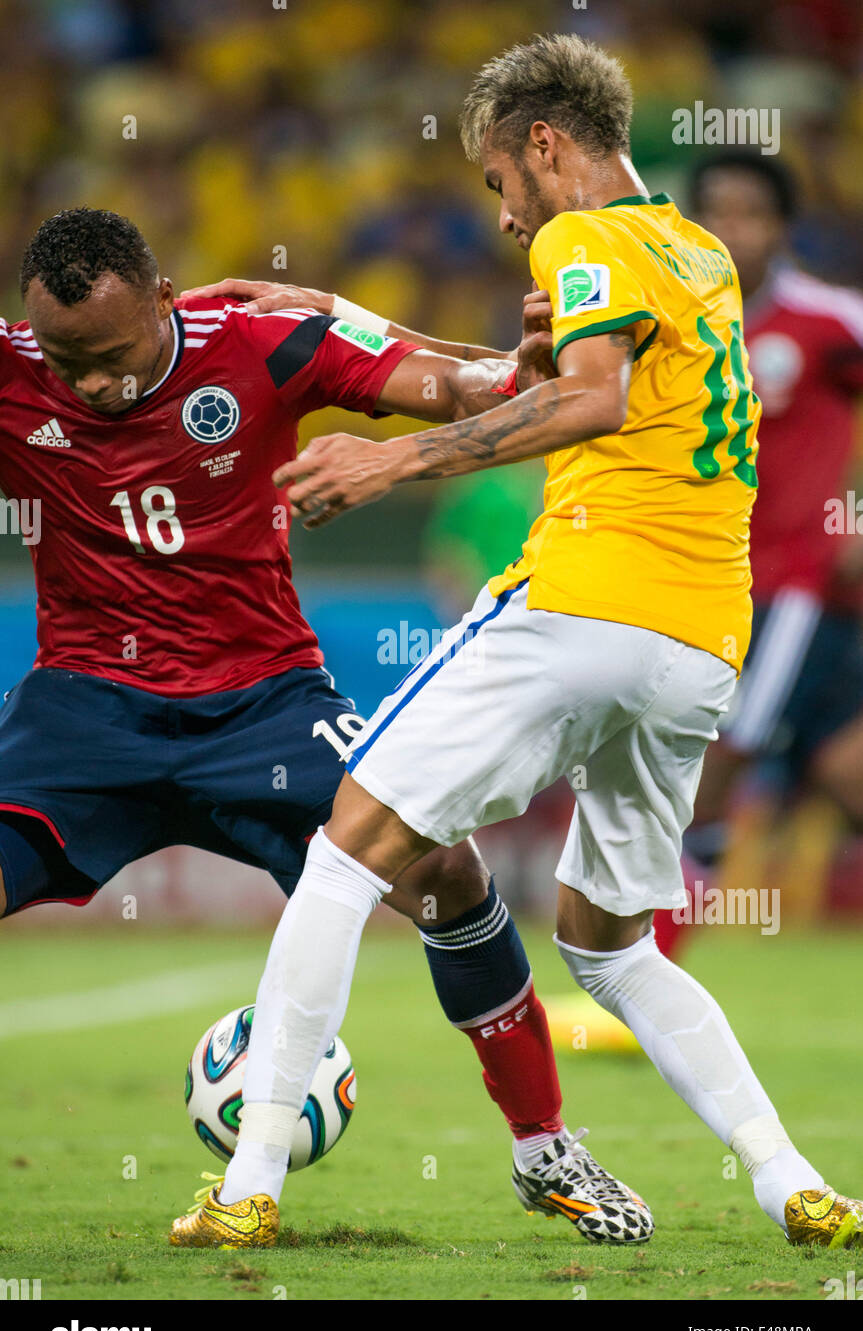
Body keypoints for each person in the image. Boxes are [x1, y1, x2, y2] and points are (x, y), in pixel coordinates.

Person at [178, 33, 862, 1253]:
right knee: (610, 944)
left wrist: (388, 456)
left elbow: (585, 397)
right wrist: (342, 316)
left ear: (542, 144)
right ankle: (792, 1181)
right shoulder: (693, 253)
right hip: (697, 642)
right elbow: (530, 378)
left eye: (499, 182)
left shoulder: (580, 235)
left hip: (583, 601)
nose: (504, 221)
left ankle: (247, 1187)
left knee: (348, 852)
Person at [0, 206, 652, 1247]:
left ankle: (545, 1148)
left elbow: (454, 388)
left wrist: (512, 367)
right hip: (83, 703)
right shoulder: (12, 372)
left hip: (266, 699)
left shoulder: (263, 339)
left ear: (166, 301)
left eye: (113, 360)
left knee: (444, 870)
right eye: (69, 363)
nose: (93, 388)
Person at [653, 151, 863, 958]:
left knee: (716, 751)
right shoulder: (671, 325)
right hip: (705, 580)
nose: (729, 228)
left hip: (792, 586)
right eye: (714, 212)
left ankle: (647, 976)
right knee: (846, 771)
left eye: (748, 212)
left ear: (781, 226)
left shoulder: (826, 321)